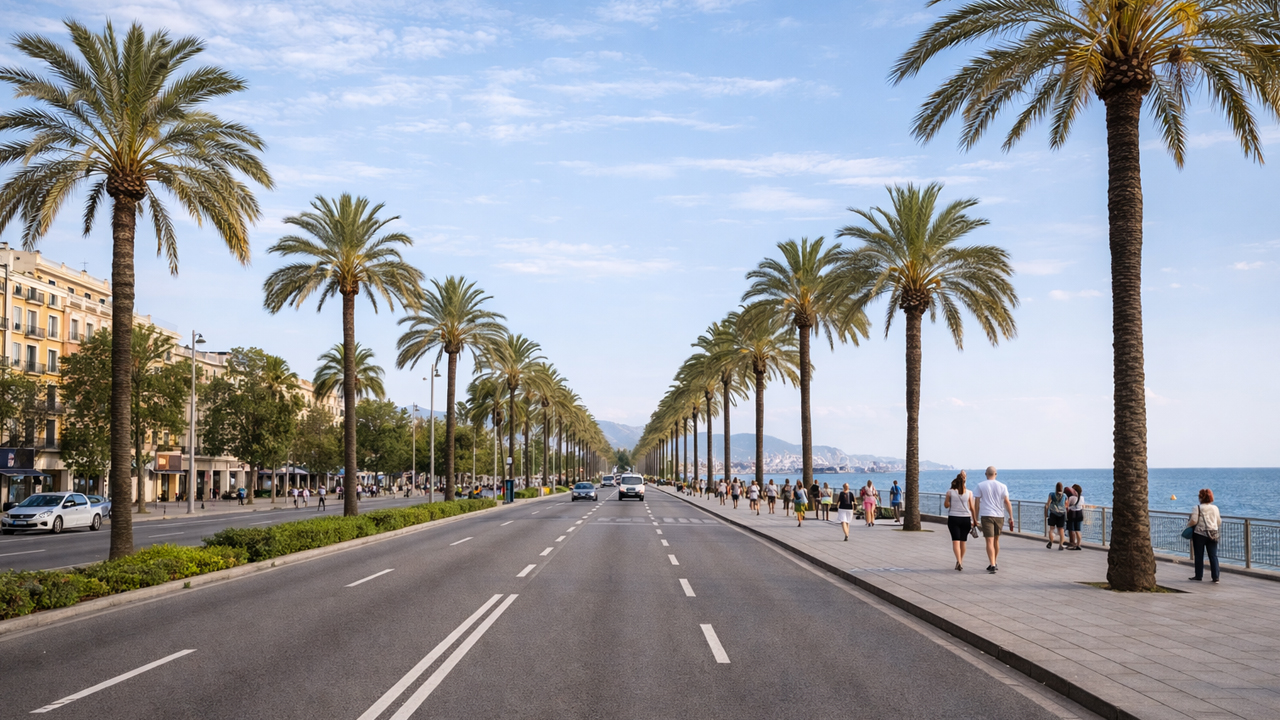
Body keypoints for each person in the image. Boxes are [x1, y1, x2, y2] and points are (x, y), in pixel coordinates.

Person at [975, 467, 1014, 573]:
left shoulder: (980, 485)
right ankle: (994, 562)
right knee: (996, 540)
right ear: (996, 474)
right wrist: (1011, 517)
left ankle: (992, 563)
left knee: (989, 540)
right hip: (999, 516)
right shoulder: (1002, 486)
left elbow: (977, 503)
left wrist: (975, 517)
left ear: (985, 474)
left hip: (986, 515)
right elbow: (1007, 501)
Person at [1187, 488, 1221, 583]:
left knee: (1199, 555)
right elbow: (1218, 521)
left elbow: (1194, 520)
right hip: (1213, 533)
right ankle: (1216, 577)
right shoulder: (1215, 508)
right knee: (1213, 555)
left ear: (1200, 498)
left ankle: (1199, 575)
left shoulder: (1197, 508)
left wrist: (1187, 526)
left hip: (1200, 533)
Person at [945, 473, 977, 570]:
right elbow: (972, 507)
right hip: (966, 518)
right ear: (964, 482)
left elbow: (946, 505)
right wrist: (975, 520)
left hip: (953, 518)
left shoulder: (949, 492)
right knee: (963, 542)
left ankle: (959, 561)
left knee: (955, 541)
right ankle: (960, 561)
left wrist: (951, 503)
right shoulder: (969, 493)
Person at [1045, 483, 1067, 550]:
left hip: (1053, 513)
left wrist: (1046, 512)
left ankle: (1051, 542)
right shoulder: (1064, 495)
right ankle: (1061, 545)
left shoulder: (1051, 494)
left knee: (1051, 529)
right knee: (1061, 530)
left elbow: (1047, 504)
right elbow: (1066, 505)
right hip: (1061, 514)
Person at [1065, 484, 1084, 550]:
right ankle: (1078, 544)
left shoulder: (1071, 497)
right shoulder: (1082, 498)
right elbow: (1082, 505)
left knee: (1072, 529)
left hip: (1072, 513)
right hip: (1080, 513)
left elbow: (1067, 505)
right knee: (1078, 530)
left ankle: (1072, 543)